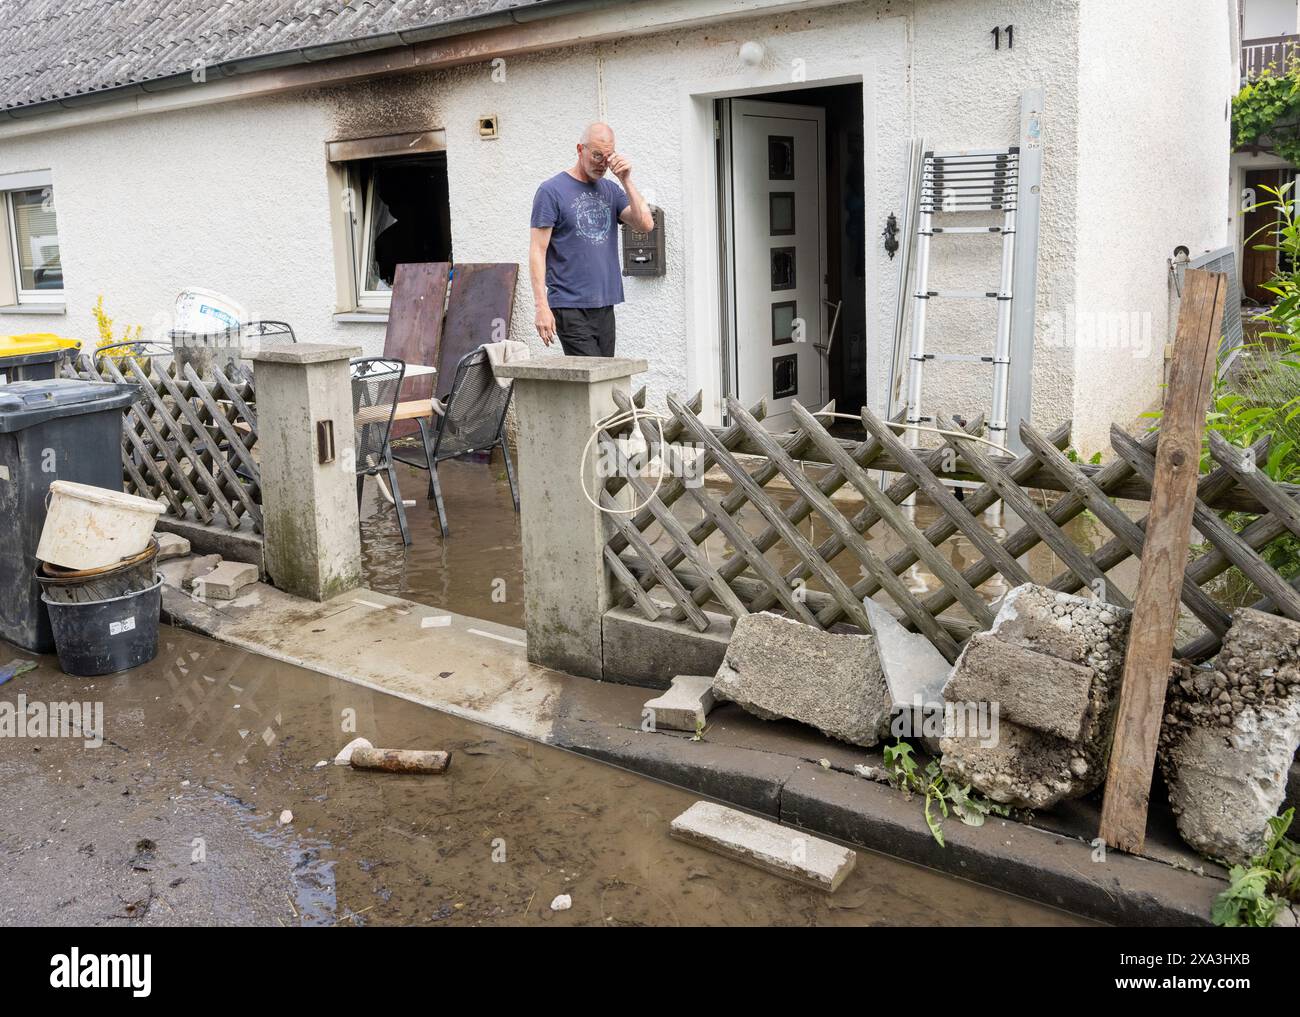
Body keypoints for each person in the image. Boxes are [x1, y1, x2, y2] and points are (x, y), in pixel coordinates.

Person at [529, 123, 654, 356]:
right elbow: (537, 250)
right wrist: (541, 306)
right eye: (597, 155)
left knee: (603, 382)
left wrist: (626, 180)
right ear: (580, 149)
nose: (602, 163)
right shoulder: (551, 191)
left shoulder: (611, 190)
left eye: (608, 157)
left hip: (605, 304)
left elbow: (645, 224)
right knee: (592, 380)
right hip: (569, 305)